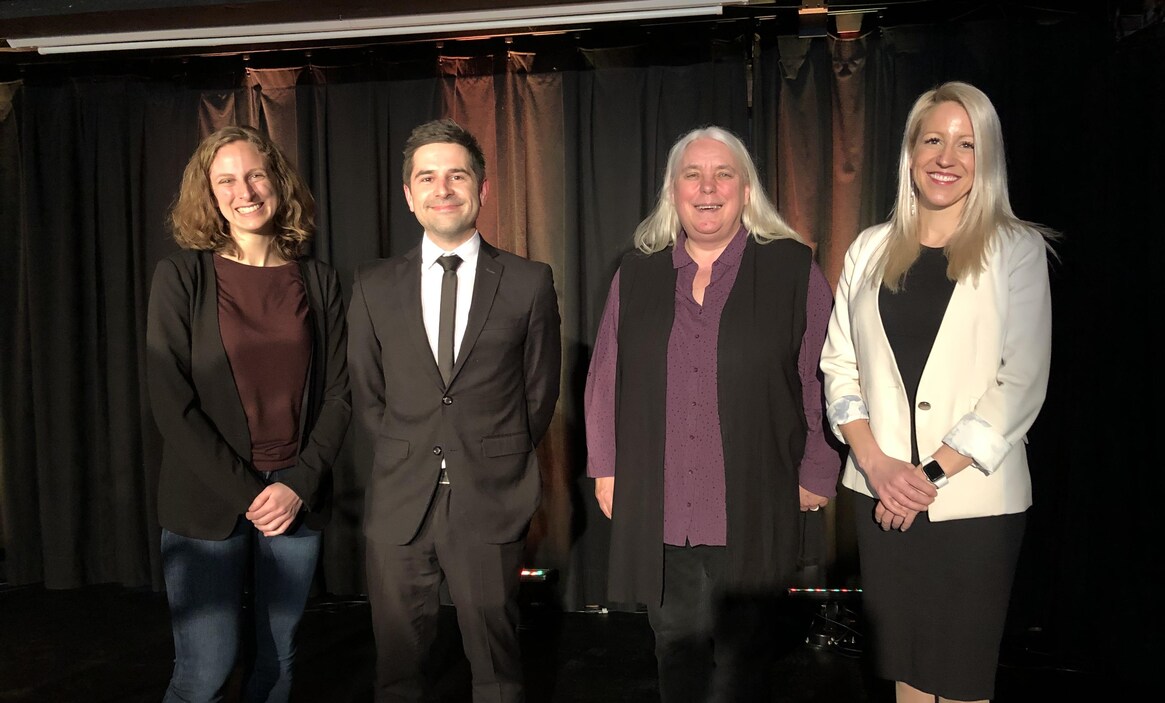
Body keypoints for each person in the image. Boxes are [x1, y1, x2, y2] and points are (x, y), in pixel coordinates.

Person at [584, 126, 840, 703]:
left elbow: (821, 376)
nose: (707, 188)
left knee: (745, 662)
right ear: (672, 193)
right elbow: (606, 376)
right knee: (674, 647)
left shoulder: (793, 270)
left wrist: (818, 469)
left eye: (723, 174)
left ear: (746, 190)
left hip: (756, 495)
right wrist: (606, 465)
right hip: (661, 498)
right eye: (691, 175)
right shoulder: (637, 271)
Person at [820, 81, 1053, 703]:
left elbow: (1020, 384)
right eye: (934, 139)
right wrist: (876, 465)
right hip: (881, 497)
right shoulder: (868, 249)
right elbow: (839, 368)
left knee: (961, 678)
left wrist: (923, 477)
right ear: (911, 152)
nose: (946, 157)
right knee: (907, 676)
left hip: (973, 505)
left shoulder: (1017, 251)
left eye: (966, 143)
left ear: (987, 160)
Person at [347, 118, 561, 703]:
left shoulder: (529, 282)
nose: (443, 189)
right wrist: (410, 450)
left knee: (496, 666)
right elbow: (367, 395)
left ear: (482, 189)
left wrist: (491, 455)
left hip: (490, 498)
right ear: (409, 195)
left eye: (457, 176)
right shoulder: (371, 286)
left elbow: (539, 395)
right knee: (396, 669)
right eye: (427, 177)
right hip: (399, 502)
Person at [146, 125, 351, 702]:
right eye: (226, 179)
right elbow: (172, 402)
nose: (245, 190)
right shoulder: (181, 278)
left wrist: (297, 486)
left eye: (256, 174)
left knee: (278, 664)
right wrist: (248, 494)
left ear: (278, 182)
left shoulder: (318, 279)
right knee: (205, 671)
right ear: (208, 195)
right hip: (206, 503)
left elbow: (341, 393)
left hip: (295, 499)